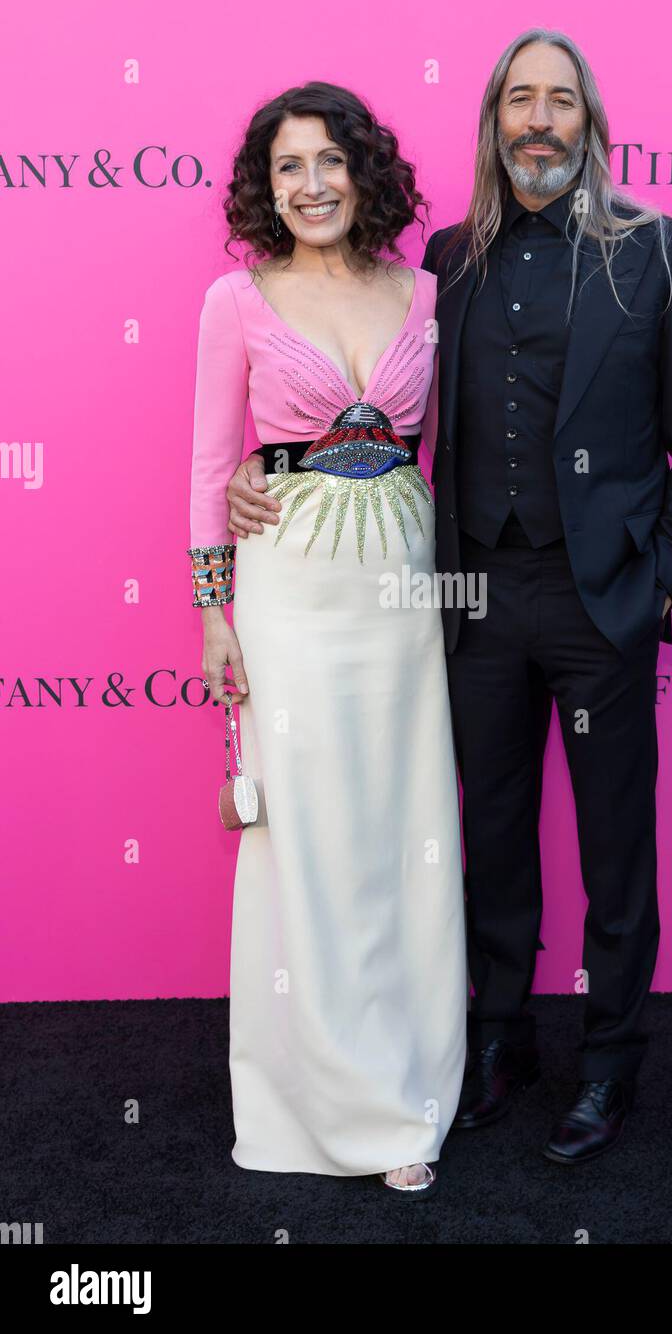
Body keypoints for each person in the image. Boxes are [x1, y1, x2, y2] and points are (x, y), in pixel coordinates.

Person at [226, 31, 672, 1166]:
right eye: (520, 100)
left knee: (613, 846)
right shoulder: (445, 259)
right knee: (490, 835)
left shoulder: (663, 253)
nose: (538, 121)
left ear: (589, 121)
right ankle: (495, 1038)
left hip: (603, 601)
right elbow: (366, 406)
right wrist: (262, 466)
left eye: (560, 100)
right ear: (494, 122)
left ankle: (608, 1062)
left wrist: (661, 589)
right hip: (467, 597)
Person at [186, 81, 467, 1196]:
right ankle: (315, 1099)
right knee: (305, 838)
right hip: (288, 591)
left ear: (364, 172)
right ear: (266, 187)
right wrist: (212, 612)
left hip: (400, 590)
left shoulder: (428, 290)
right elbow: (213, 467)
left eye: (328, 161)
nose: (309, 185)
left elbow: (436, 452)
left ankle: (405, 1092)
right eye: (287, 167)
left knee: (399, 833)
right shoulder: (235, 301)